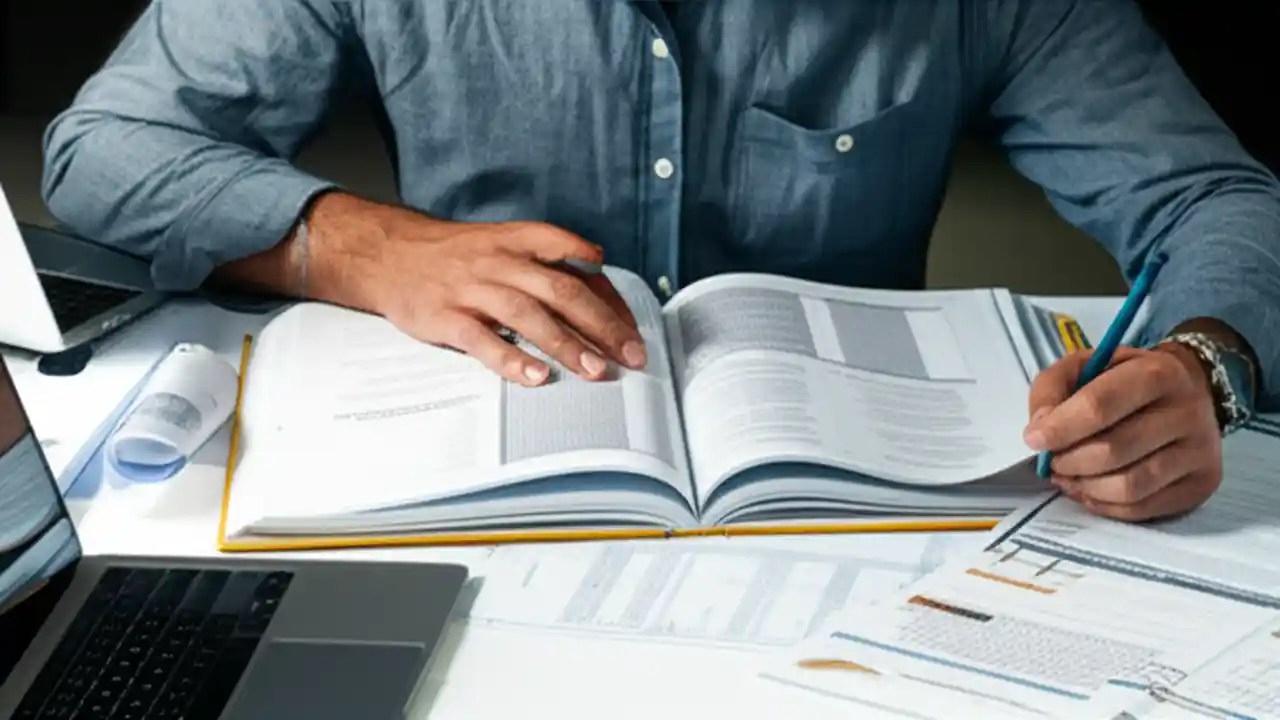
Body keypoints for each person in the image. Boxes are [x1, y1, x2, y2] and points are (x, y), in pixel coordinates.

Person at [41, 1, 1280, 523]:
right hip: (456, 475)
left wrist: (1203, 366)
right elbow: (101, 150)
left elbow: (1215, 198)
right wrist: (353, 244)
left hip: (849, 513)